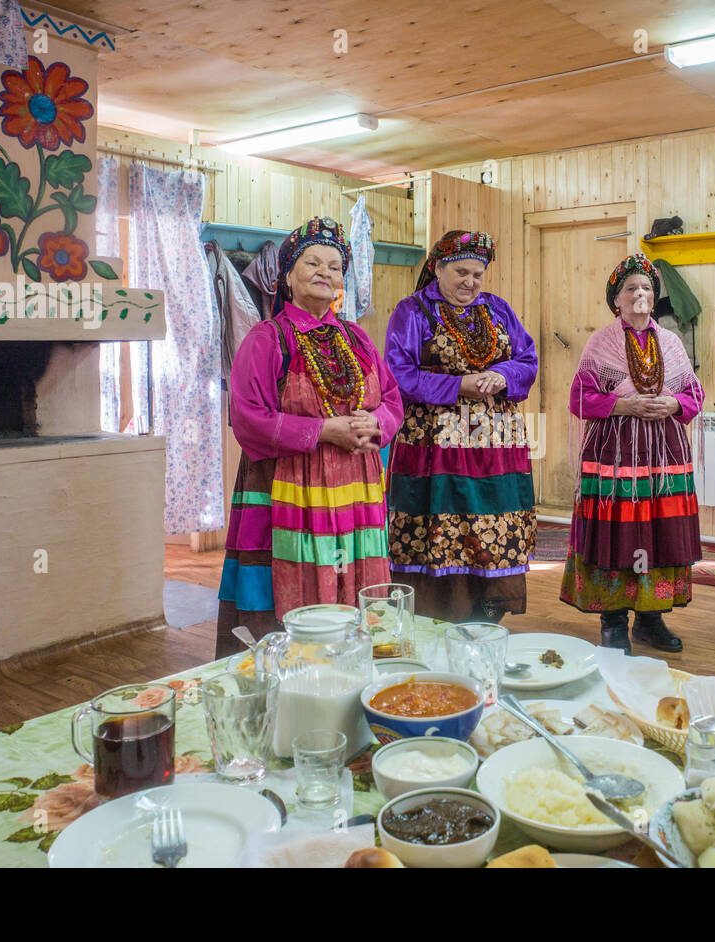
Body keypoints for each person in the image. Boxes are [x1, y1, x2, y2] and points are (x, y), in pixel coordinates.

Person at [215, 216, 403, 658]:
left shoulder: (357, 338)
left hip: (355, 487)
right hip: (290, 489)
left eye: (335, 266)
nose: (325, 272)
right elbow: (247, 417)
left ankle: (353, 668)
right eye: (312, 263)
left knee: (356, 586)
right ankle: (293, 676)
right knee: (289, 600)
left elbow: (392, 397)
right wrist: (322, 431)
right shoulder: (267, 339)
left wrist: (376, 424)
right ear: (287, 276)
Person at [384, 230, 538, 623]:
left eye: (477, 274)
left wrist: (503, 376)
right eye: (461, 272)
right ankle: (438, 614)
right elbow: (397, 375)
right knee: (440, 523)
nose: (470, 282)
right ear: (437, 268)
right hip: (434, 442)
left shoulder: (498, 309)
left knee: (493, 520)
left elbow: (528, 358)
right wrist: (458, 385)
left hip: (495, 443)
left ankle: (488, 610)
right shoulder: (413, 311)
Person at [560, 253, 705, 654]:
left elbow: (694, 394)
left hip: (663, 451)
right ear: (616, 301)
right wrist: (627, 406)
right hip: (616, 450)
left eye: (646, 288)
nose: (639, 293)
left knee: (657, 529)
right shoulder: (600, 343)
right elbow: (579, 399)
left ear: (654, 297)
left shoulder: (671, 342)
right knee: (619, 530)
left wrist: (673, 405)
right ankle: (613, 622)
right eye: (630, 289)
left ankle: (650, 618)